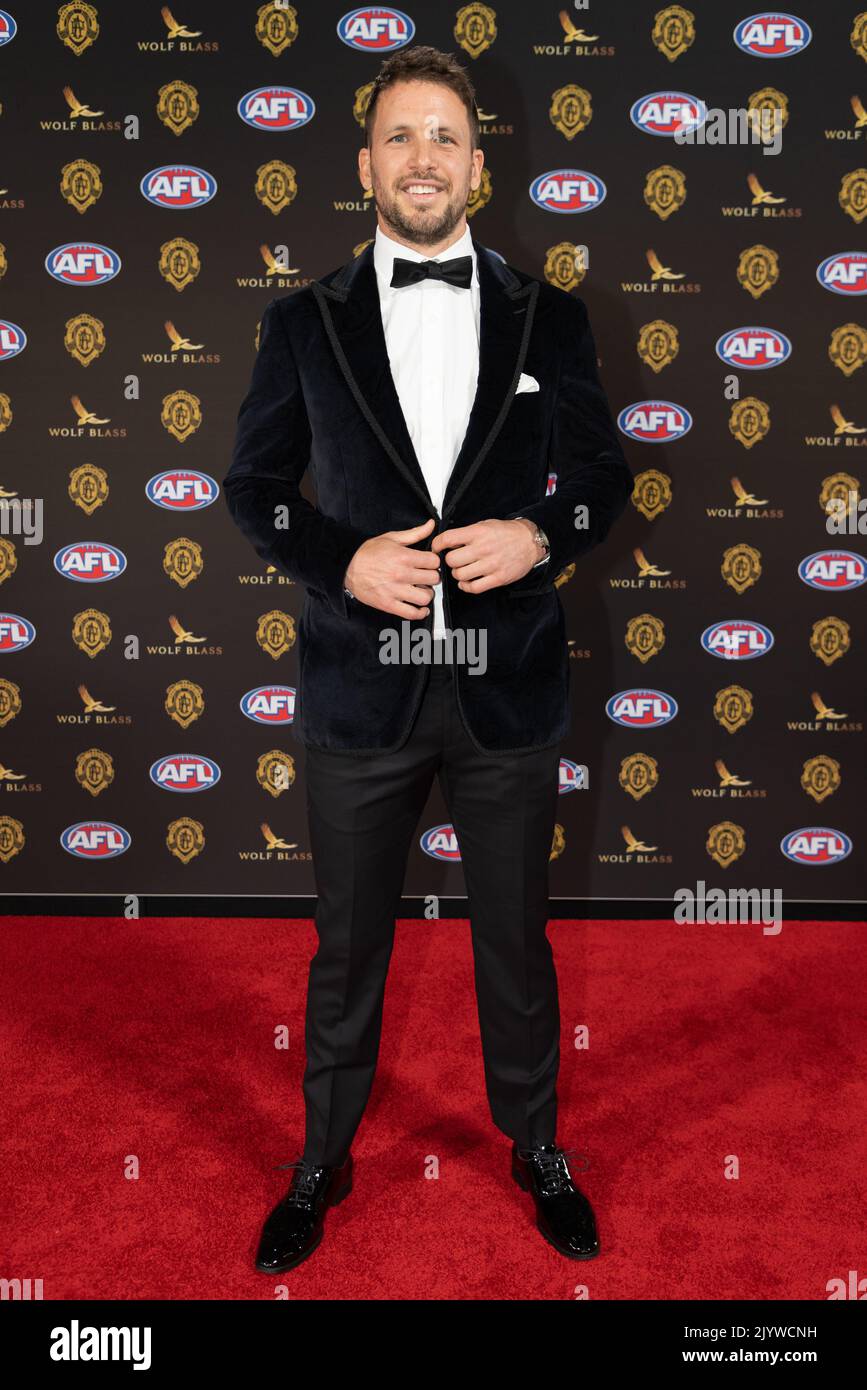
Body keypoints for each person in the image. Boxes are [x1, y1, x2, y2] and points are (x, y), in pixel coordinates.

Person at [223, 44, 633, 1274]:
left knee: (514, 937)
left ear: (476, 163)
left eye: (443, 136)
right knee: (348, 942)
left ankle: (537, 1146)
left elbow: (604, 477)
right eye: (400, 136)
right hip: (360, 686)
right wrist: (340, 562)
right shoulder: (301, 321)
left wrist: (540, 534)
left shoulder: (547, 313)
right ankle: (320, 1158)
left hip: (509, 685)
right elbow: (250, 485)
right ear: (364, 164)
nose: (422, 159)